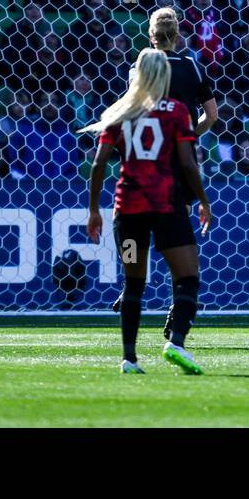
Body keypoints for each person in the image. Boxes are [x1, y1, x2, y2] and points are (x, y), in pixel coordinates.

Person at [83, 48, 211, 373]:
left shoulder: (120, 112)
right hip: (166, 207)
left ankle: (128, 358)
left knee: (133, 282)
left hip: (127, 212)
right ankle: (176, 342)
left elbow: (98, 164)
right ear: (164, 75)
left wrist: (94, 210)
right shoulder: (177, 111)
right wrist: (203, 201)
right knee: (187, 277)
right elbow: (187, 162)